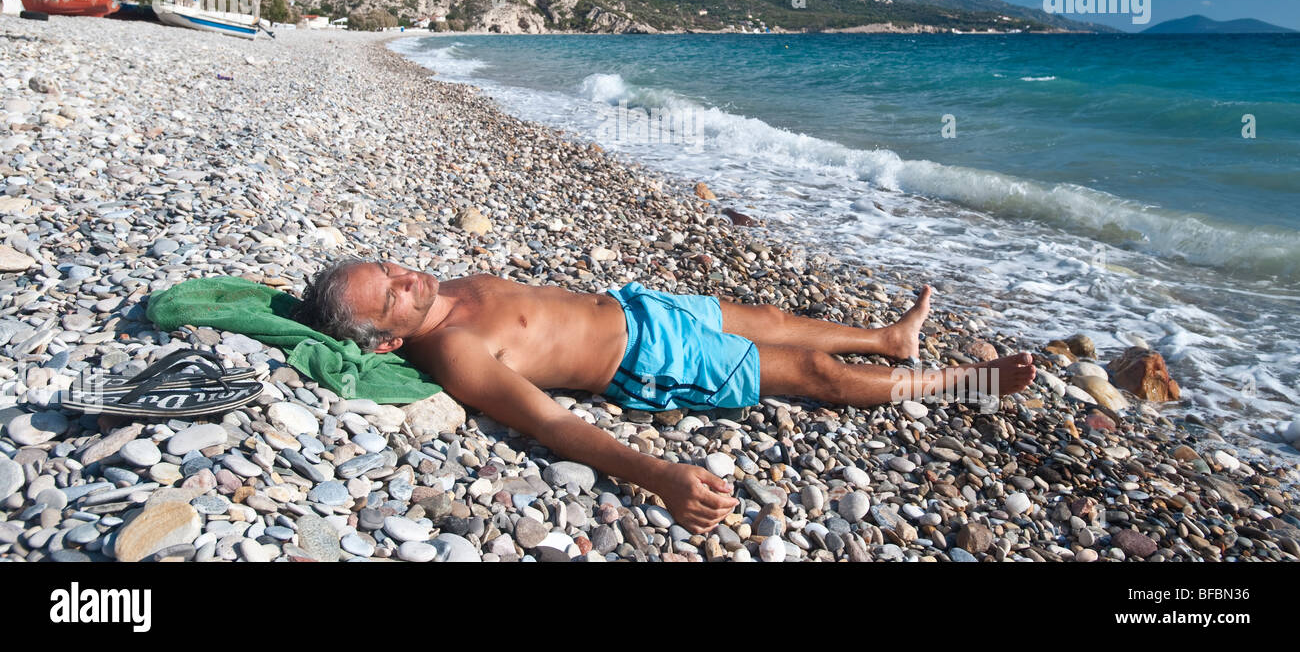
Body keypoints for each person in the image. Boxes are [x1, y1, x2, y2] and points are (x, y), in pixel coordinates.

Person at [294, 258, 1036, 534]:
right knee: (811, 373)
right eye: (391, 294)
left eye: (389, 266)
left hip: (639, 304)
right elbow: (549, 422)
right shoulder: (452, 350)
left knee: (775, 319)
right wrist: (660, 474)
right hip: (648, 357)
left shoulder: (442, 291)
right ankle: (958, 384)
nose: (406, 278)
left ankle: (888, 337)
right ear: (386, 340)